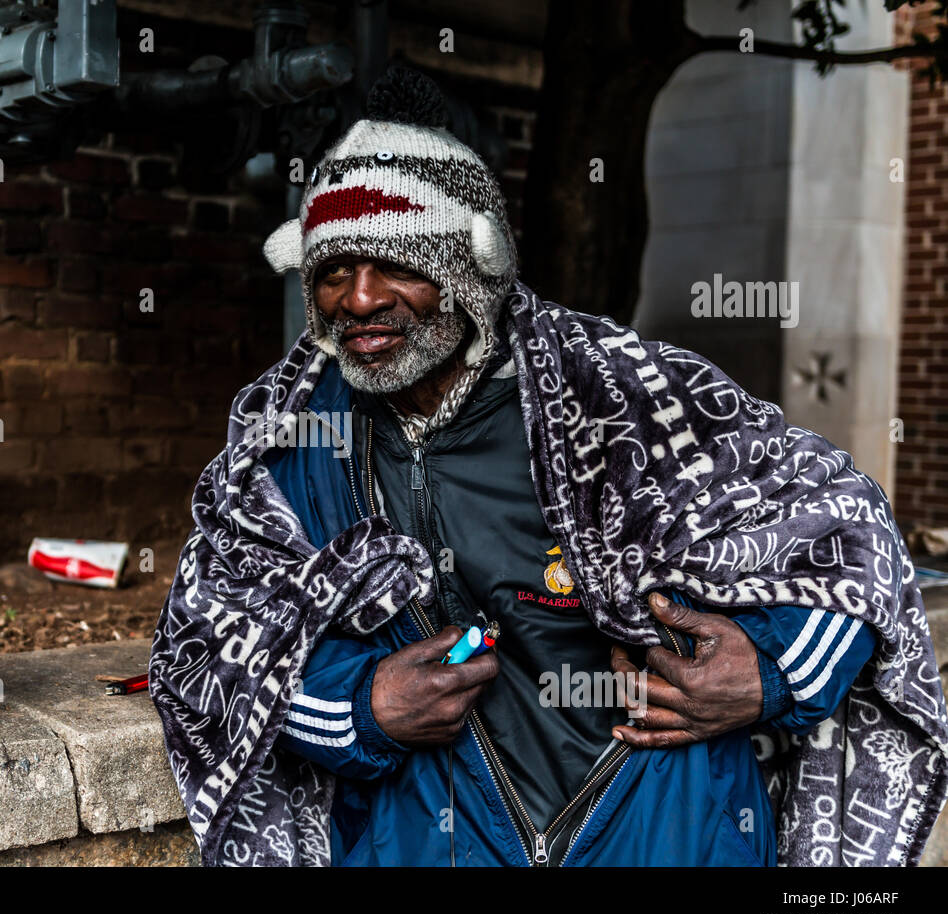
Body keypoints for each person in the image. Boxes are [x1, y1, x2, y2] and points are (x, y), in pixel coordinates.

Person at [149, 67, 948, 866]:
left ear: (470, 268)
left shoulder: (619, 390)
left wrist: (770, 675)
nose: (358, 300)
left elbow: (844, 525)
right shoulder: (286, 439)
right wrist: (355, 710)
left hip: (660, 818)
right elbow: (208, 642)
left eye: (397, 264)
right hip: (433, 835)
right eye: (332, 270)